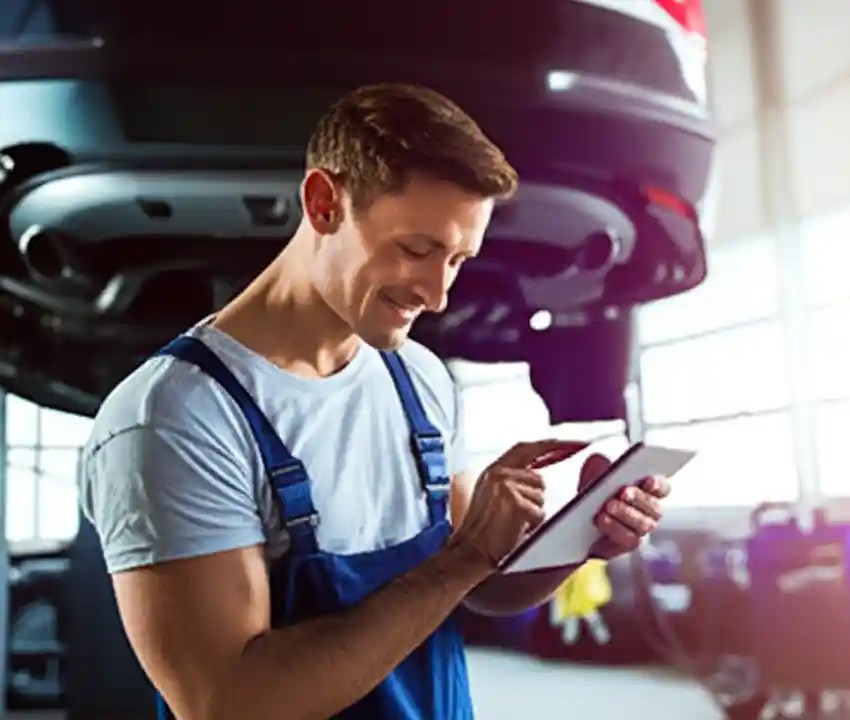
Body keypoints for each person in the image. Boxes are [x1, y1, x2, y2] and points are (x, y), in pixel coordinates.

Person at [77, 83, 671, 720]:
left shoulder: (418, 379)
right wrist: (463, 558)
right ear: (324, 203)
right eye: (416, 249)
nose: (438, 293)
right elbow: (228, 702)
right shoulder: (175, 419)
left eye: (458, 260)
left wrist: (582, 538)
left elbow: (480, 586)